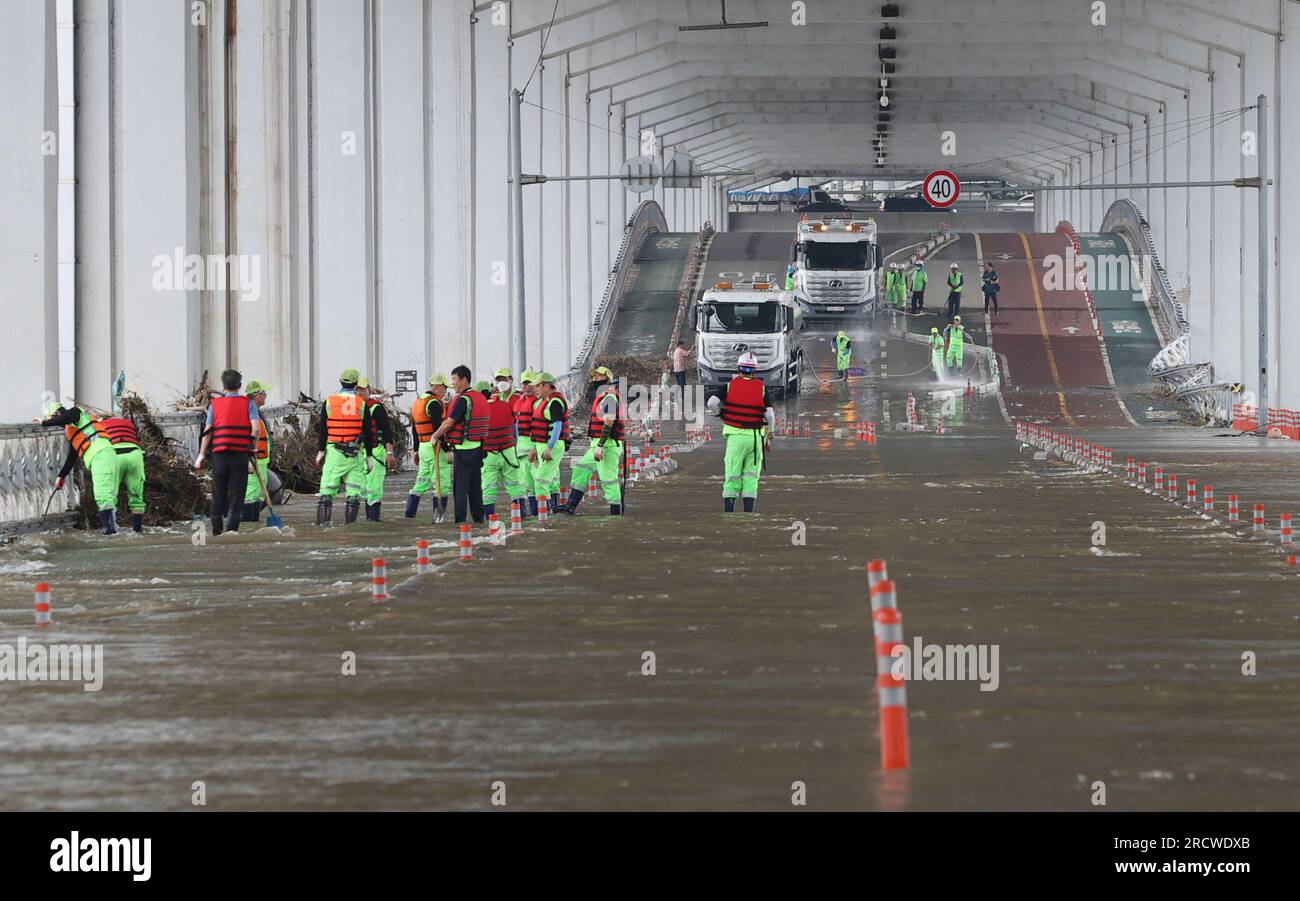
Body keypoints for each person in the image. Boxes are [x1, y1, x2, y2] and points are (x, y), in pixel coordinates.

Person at [41, 401, 121, 535]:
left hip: (100, 455)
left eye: (54, 419)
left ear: (58, 413)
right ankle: (112, 529)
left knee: (102, 495)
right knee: (109, 495)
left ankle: (110, 531)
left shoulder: (75, 412)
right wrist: (61, 476)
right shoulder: (76, 428)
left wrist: (44, 423)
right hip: (108, 454)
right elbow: (72, 457)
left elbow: (65, 418)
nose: (57, 423)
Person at [195, 369, 259, 535]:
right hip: (239, 455)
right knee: (237, 495)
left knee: (218, 494)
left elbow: (208, 432)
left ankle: (216, 532)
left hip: (220, 456)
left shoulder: (214, 405)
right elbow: (255, 429)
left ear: (223, 386)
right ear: (240, 385)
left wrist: (201, 455)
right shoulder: (249, 403)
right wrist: (252, 448)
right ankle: (232, 532)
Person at [561, 366, 624, 516]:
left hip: (606, 446)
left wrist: (601, 445)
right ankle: (570, 505)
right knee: (581, 469)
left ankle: (616, 515)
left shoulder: (609, 396)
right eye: (594, 377)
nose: (595, 379)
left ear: (607, 379)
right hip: (597, 445)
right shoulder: (602, 396)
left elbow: (609, 421)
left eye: (599, 377)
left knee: (608, 480)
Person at [428, 365, 488, 525]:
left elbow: (449, 423)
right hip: (478, 448)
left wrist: (435, 436)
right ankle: (479, 520)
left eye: (455, 380)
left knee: (460, 489)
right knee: (475, 487)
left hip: (463, 450)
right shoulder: (479, 397)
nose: (453, 383)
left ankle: (460, 522)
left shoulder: (463, 400)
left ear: (464, 379)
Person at [314, 367, 374, 526]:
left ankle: (322, 529)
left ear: (340, 382)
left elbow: (323, 429)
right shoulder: (362, 404)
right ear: (356, 385)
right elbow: (368, 432)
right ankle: (350, 531)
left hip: (334, 452)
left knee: (327, 492)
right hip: (354, 454)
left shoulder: (329, 402)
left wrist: (320, 451)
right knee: (354, 494)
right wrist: (369, 456)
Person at [719, 351, 774, 513]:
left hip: (736, 437)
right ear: (755, 370)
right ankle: (748, 514)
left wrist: (720, 414)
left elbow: (711, 402)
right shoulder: (761, 389)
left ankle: (729, 514)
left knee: (732, 475)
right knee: (751, 477)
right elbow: (770, 415)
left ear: (739, 368)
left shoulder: (729, 386)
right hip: (756, 439)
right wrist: (769, 435)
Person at [405, 374, 453, 523]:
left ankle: (409, 515)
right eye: (444, 388)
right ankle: (438, 519)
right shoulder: (434, 403)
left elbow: (414, 428)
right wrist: (447, 449)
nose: (445, 391)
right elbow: (438, 429)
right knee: (441, 483)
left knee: (422, 481)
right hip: (435, 447)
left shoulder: (419, 401)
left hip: (424, 446)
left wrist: (416, 450)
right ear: (437, 386)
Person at [480, 376, 525, 521]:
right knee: (515, 485)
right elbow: (514, 427)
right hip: (508, 452)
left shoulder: (481, 410)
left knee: (489, 487)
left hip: (489, 455)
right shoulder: (506, 405)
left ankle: (489, 518)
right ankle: (520, 515)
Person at [526, 372, 570, 516]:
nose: (536, 388)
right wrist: (534, 448)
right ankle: (550, 513)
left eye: (538, 385)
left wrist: (549, 448)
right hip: (542, 446)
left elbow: (557, 426)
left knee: (541, 481)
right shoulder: (546, 401)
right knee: (546, 481)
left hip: (552, 446)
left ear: (546, 385)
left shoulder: (555, 402)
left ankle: (543, 518)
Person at [357, 377, 396, 521]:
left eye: (363, 389)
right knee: (364, 491)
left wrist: (389, 453)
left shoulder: (376, 408)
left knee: (374, 490)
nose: (360, 393)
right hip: (360, 455)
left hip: (376, 452)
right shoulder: (353, 408)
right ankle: (369, 523)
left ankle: (374, 522)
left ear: (369, 390)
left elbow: (387, 432)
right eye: (358, 390)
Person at [101, 410, 147, 532]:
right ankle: (137, 530)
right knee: (136, 495)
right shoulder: (127, 423)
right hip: (135, 454)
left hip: (114, 455)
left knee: (110, 495)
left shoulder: (100, 425)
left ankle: (112, 530)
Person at [240, 379, 272, 524]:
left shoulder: (257, 412)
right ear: (257, 395)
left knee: (259, 493)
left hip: (262, 460)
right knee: (250, 492)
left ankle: (255, 523)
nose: (266, 396)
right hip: (253, 460)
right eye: (264, 393)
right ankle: (248, 525)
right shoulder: (247, 412)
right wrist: (247, 459)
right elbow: (244, 436)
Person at [510, 370, 539, 519]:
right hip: (519, 450)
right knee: (523, 483)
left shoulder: (537, 402)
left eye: (530, 383)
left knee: (535, 483)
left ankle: (538, 513)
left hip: (532, 449)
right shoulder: (519, 401)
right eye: (524, 383)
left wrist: (535, 449)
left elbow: (538, 427)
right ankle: (525, 514)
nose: (527, 386)